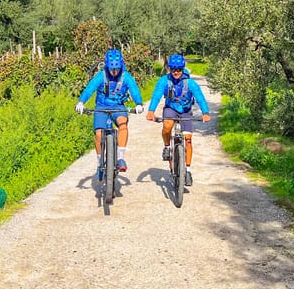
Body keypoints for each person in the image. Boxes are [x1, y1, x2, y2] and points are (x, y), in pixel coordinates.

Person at [75, 49, 144, 177]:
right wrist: (81, 102)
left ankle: (120, 158)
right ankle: (99, 162)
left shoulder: (126, 76)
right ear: (107, 66)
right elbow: (90, 89)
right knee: (99, 134)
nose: (114, 72)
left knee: (123, 124)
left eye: (116, 69)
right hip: (101, 106)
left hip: (118, 106)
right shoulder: (101, 76)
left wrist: (139, 103)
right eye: (112, 69)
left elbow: (134, 89)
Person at [146, 54, 211, 187]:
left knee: (188, 139)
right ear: (170, 69)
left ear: (182, 69)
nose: (176, 72)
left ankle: (187, 171)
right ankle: (166, 147)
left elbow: (199, 97)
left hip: (186, 111)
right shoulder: (164, 81)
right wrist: (151, 111)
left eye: (179, 69)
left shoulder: (190, 83)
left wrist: (205, 112)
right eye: (173, 69)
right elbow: (156, 95)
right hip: (171, 108)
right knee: (167, 126)